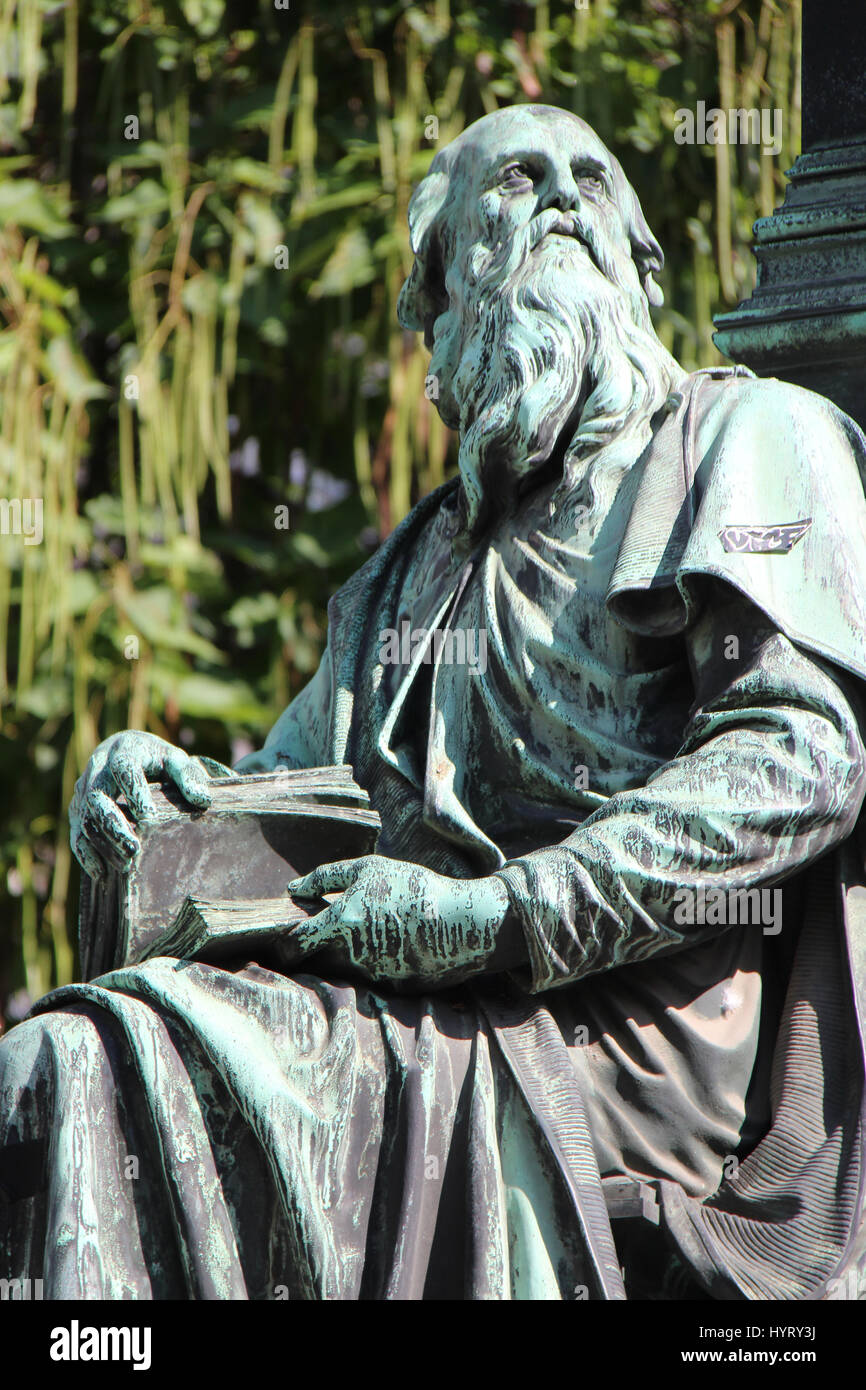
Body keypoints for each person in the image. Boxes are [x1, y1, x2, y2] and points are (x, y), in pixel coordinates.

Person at [4, 104, 866, 1300]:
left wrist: (499, 916)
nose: (564, 199)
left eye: (592, 183)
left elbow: (798, 757)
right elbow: (275, 813)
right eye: (516, 181)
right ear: (438, 293)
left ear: (637, 260)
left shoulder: (746, 434)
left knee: (112, 1067)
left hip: (618, 1041)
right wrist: (160, 793)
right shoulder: (404, 577)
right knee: (67, 1055)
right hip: (419, 1011)